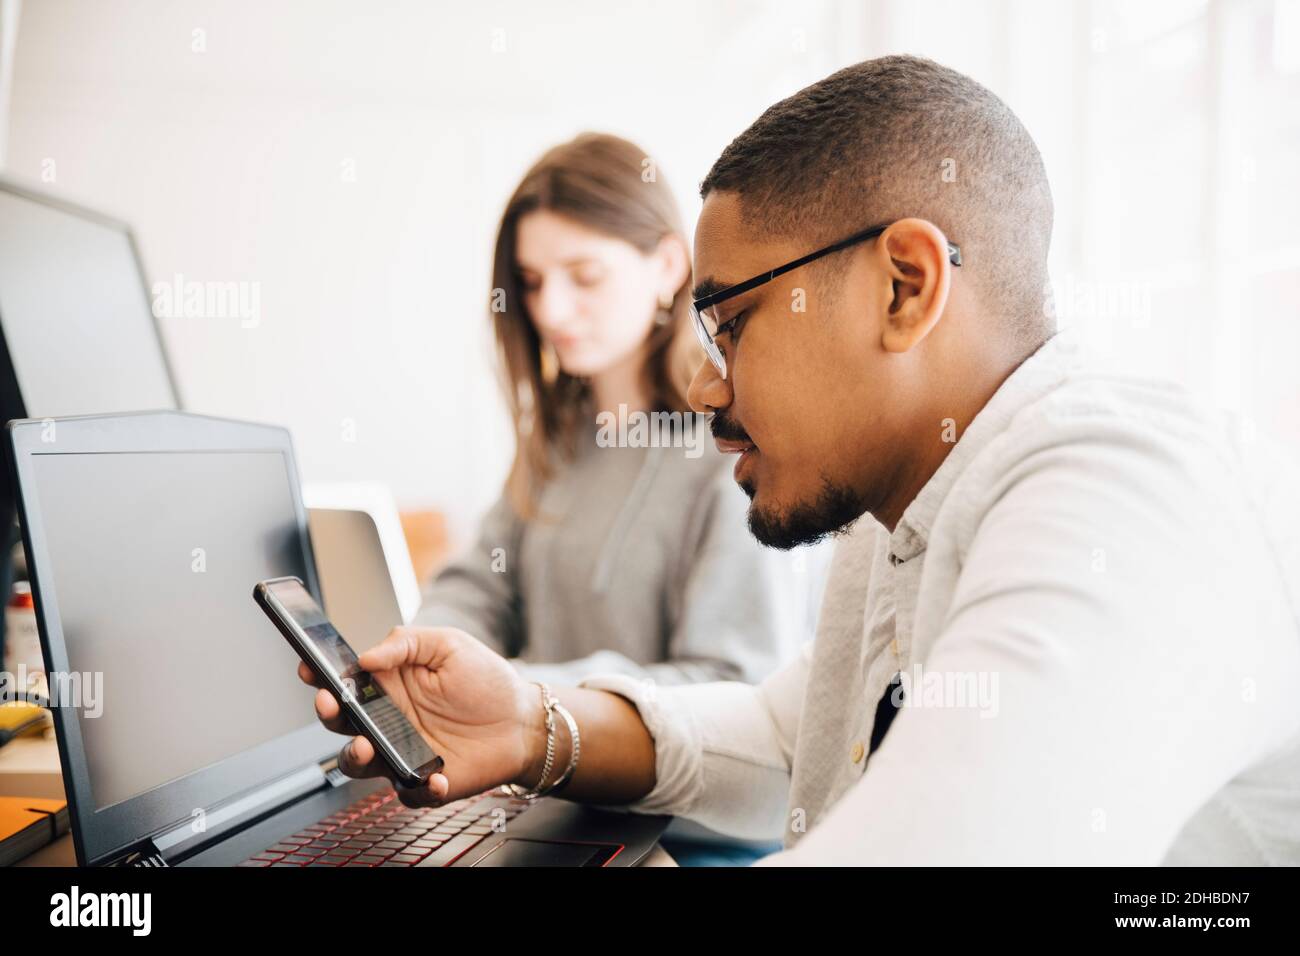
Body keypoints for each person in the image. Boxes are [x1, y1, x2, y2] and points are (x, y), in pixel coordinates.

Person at [299, 56, 1300, 864]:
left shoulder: (1118, 489)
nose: (700, 387)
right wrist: (530, 719)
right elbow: (792, 740)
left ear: (904, 286)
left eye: (728, 323)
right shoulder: (901, 507)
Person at [411, 132, 817, 689]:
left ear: (669, 266)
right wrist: (424, 653)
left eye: (586, 277)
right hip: (530, 766)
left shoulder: (730, 452)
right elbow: (477, 589)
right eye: (531, 282)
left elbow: (733, 685)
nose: (550, 310)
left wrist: (516, 693)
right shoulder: (557, 438)